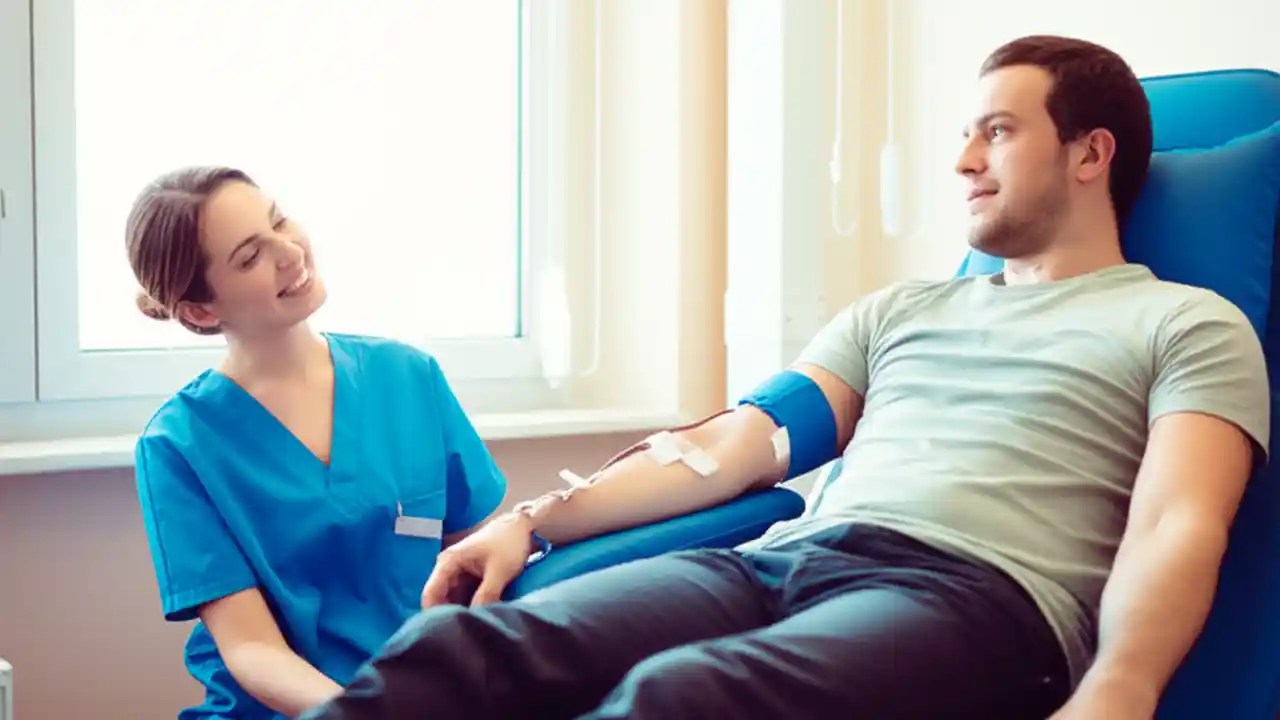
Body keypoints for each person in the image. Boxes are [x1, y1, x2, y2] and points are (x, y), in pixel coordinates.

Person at [302, 34, 1270, 720]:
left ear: (1089, 152)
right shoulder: (900, 312)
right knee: (456, 652)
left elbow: (1175, 522)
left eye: (996, 133)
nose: (960, 159)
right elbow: (730, 452)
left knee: (681, 700)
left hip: (976, 601)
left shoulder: (1187, 323)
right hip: (782, 564)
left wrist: (1117, 691)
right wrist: (528, 520)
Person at [127, 166, 508, 719]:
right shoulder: (178, 446)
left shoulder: (409, 376)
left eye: (279, 219)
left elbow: (476, 568)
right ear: (202, 310)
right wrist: (372, 712)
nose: (289, 251)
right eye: (250, 256)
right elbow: (252, 648)